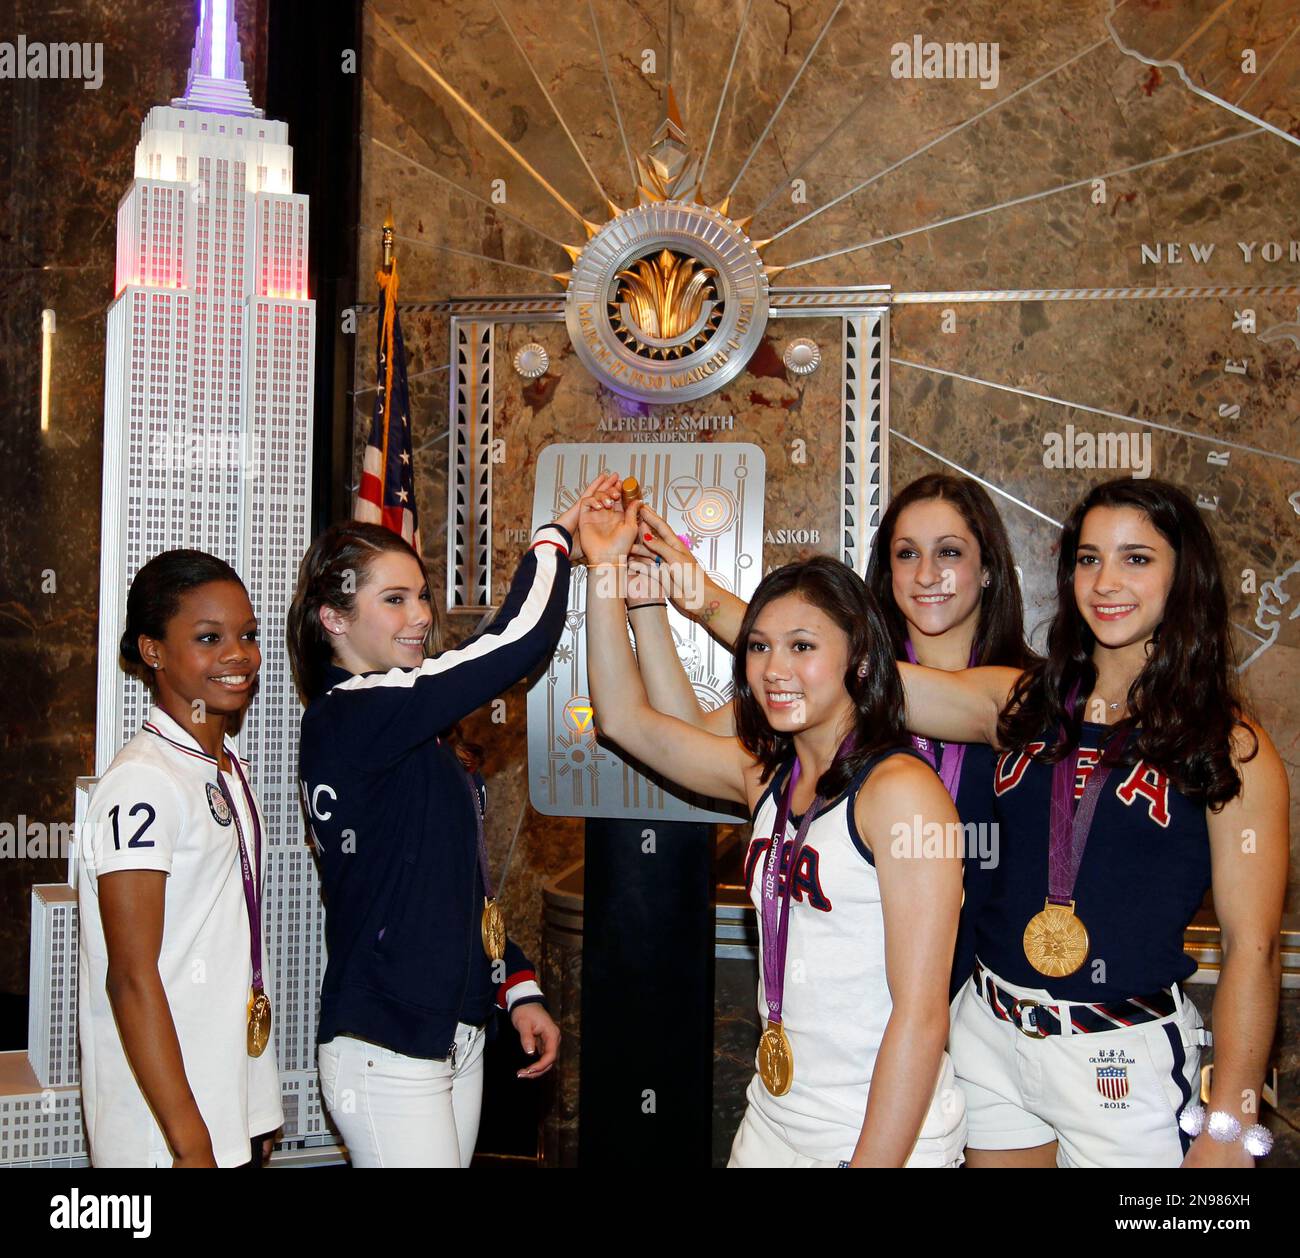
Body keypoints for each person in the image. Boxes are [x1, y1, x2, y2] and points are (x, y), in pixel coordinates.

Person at [897, 478, 1288, 1168]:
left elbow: (1252, 948)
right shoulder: (1020, 701)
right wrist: (693, 591)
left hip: (1120, 1062)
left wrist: (1229, 1118)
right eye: (1088, 559)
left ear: (1183, 576)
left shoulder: (1231, 745)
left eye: (1136, 559)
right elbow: (843, 673)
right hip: (992, 1030)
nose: (1107, 581)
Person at [580, 488, 967, 1167]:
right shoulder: (767, 776)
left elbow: (921, 1015)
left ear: (862, 661)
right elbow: (624, 720)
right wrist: (607, 569)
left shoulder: (903, 794)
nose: (774, 669)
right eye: (758, 646)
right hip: (774, 1118)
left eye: (802, 646)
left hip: (880, 1136)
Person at [287, 473, 616, 1167]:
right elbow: (513, 646)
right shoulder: (351, 716)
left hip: (455, 1029)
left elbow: (446, 890)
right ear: (334, 619)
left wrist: (514, 982)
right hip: (385, 1041)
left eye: (423, 597)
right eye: (394, 599)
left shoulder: (407, 728)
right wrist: (558, 539)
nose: (421, 617)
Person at [626, 474, 1032, 1002]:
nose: (927, 574)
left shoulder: (1023, 694)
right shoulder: (832, 690)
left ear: (990, 570)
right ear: (886, 573)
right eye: (906, 554)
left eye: (949, 552)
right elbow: (689, 735)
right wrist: (650, 605)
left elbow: (890, 684)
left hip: (988, 1011)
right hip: (849, 1003)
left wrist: (709, 601)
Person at [78, 549, 282, 1167]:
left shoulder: (225, 766)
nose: (238, 653)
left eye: (247, 634)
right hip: (162, 1132)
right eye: (208, 637)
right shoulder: (143, 780)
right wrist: (190, 1143)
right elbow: (132, 977)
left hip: (223, 1107)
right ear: (153, 651)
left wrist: (254, 1105)